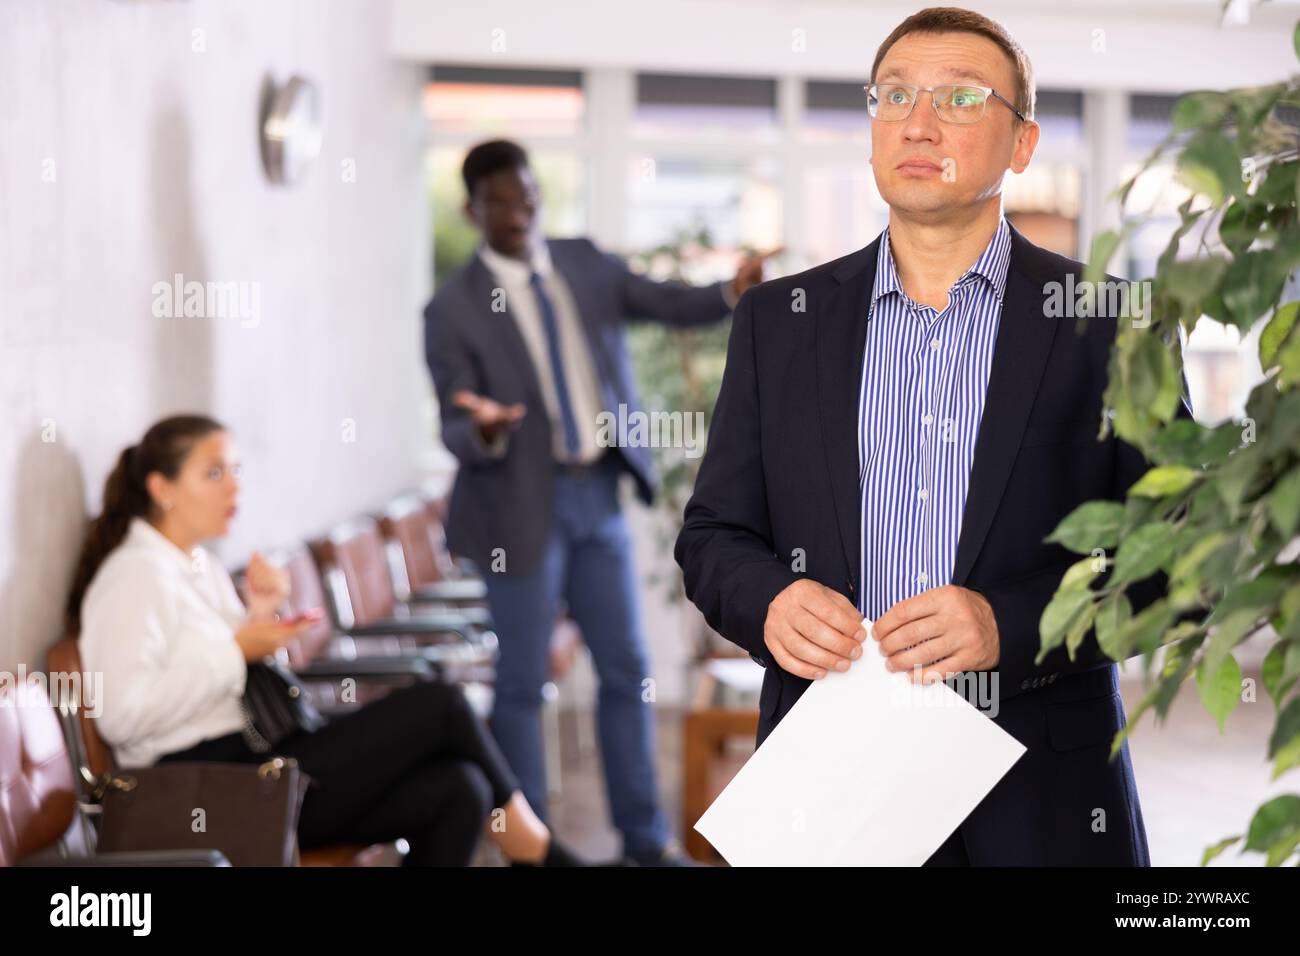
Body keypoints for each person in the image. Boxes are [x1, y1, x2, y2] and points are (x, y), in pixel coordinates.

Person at [674, 7, 1193, 866]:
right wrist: (770, 601)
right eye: (896, 95)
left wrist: (1008, 624)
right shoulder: (779, 321)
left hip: (1038, 794)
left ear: (1022, 143)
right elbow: (713, 537)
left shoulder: (1113, 322)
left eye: (959, 97)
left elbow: (1182, 563)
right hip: (832, 780)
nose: (919, 122)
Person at [423, 139, 776, 865]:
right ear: (472, 209)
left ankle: (645, 843)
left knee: (627, 669)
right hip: (517, 508)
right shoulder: (452, 307)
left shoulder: (582, 260)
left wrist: (727, 294)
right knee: (521, 686)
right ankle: (536, 851)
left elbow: (663, 300)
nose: (519, 214)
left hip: (598, 495)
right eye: (501, 203)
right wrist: (481, 427)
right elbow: (453, 420)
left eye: (528, 198)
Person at [70, 414, 586, 867]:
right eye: (214, 473)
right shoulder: (133, 577)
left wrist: (262, 616)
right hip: (211, 790)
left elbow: (222, 666)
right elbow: (120, 714)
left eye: (237, 471)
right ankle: (540, 853)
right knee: (442, 706)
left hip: (260, 759)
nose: (235, 488)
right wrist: (238, 649)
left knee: (461, 792)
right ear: (162, 489)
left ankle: (534, 851)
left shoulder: (194, 565)